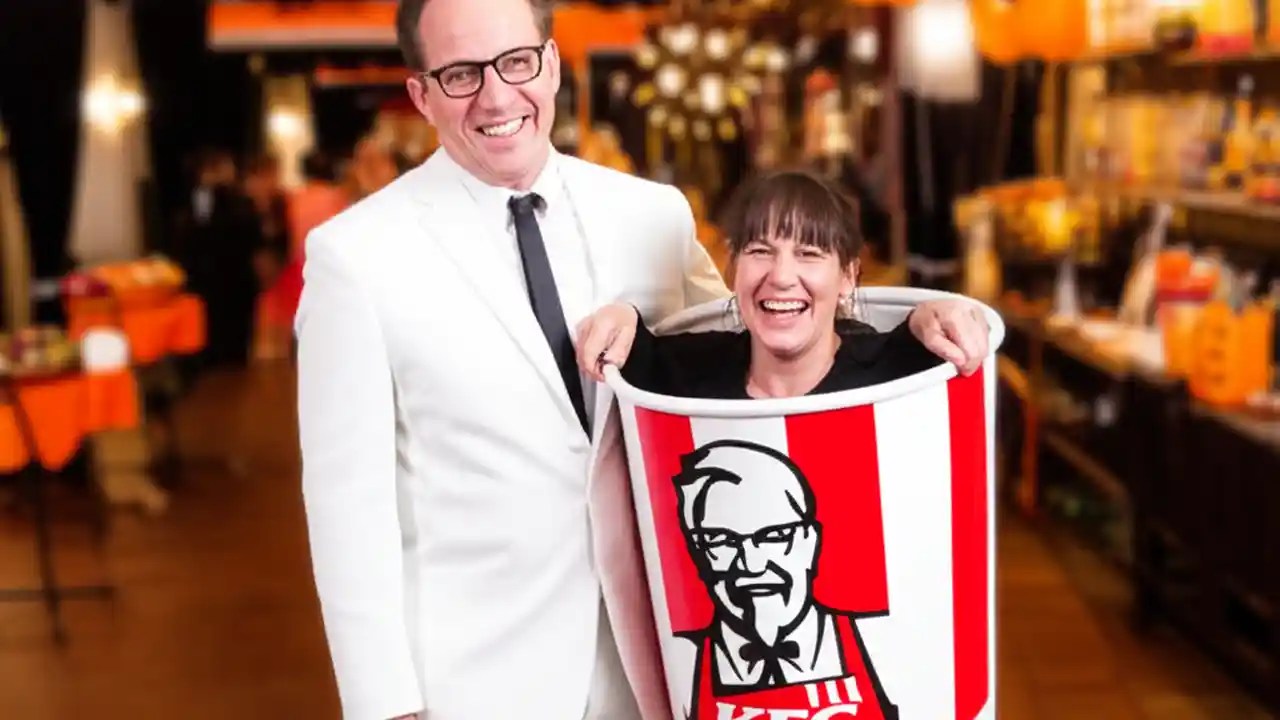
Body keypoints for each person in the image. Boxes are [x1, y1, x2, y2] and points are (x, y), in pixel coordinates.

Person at [295, 2, 989, 719]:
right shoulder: (358, 257)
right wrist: (385, 703)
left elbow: (763, 349)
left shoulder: (651, 215)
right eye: (462, 74)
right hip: (477, 680)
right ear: (420, 93)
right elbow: (348, 506)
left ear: (551, 64)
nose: (497, 97)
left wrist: (907, 329)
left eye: (516, 62)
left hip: (663, 664)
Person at [576, 169, 984, 399]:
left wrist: (940, 314)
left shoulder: (896, 373)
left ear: (847, 276)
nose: (782, 277)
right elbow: (639, 355)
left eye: (808, 253)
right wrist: (621, 317)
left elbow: (942, 341)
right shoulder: (690, 374)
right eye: (760, 251)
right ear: (734, 270)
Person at [670, 440, 897, 719]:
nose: (752, 565)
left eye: (775, 535)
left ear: (810, 541)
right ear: (696, 553)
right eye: (720, 540)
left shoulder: (877, 639)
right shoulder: (685, 658)